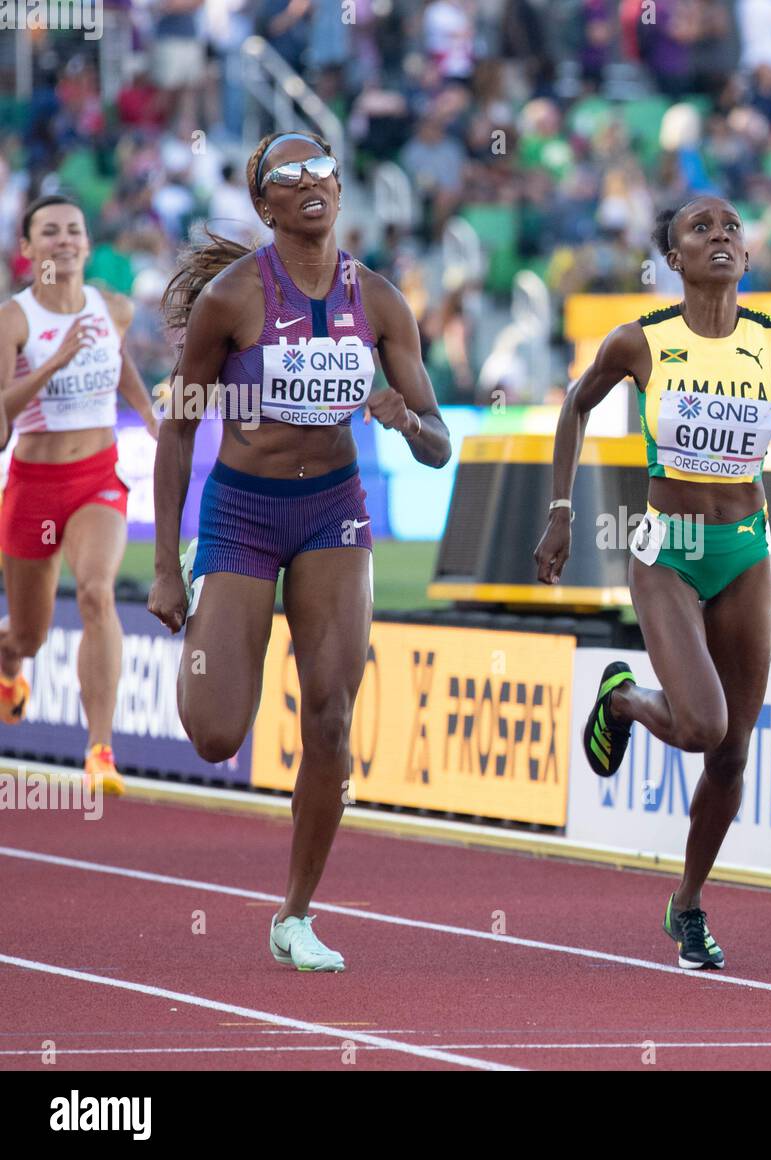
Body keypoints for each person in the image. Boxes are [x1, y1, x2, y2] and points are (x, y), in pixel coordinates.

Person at [534, 196, 771, 969]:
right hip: (667, 550)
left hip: (747, 550)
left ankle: (686, 906)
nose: (719, 236)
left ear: (747, 259)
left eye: (731, 230)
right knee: (702, 726)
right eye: (700, 229)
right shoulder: (640, 342)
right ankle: (622, 699)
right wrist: (559, 511)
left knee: (732, 755)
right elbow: (574, 410)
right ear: (674, 259)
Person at [149, 131, 451, 972]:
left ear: (341, 190)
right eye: (289, 174)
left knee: (330, 714)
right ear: (264, 204)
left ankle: (296, 914)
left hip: (333, 515)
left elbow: (439, 445)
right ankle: (218, 627)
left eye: (324, 167)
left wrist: (408, 422)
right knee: (214, 735)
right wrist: (171, 565)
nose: (311, 181)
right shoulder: (230, 298)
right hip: (244, 512)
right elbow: (178, 430)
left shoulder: (381, 300)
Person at [0, 194, 160, 795]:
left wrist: (146, 413)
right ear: (28, 249)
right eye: (49, 232)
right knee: (31, 635)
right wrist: (51, 363)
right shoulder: (13, 321)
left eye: (73, 230)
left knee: (96, 592)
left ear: (87, 243)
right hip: (34, 486)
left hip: (97, 476)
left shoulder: (110, 307)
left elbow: (119, 364)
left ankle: (99, 750)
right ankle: (9, 658)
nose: (63, 240)